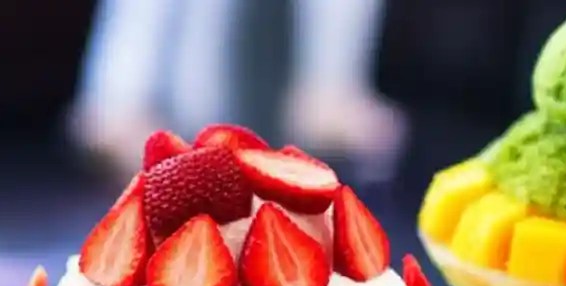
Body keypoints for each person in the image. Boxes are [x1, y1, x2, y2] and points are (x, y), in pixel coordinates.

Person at [69, 0, 407, 178]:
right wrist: (119, 102)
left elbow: (329, 113)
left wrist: (337, 100)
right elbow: (108, 116)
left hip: (298, 182)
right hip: (186, 165)